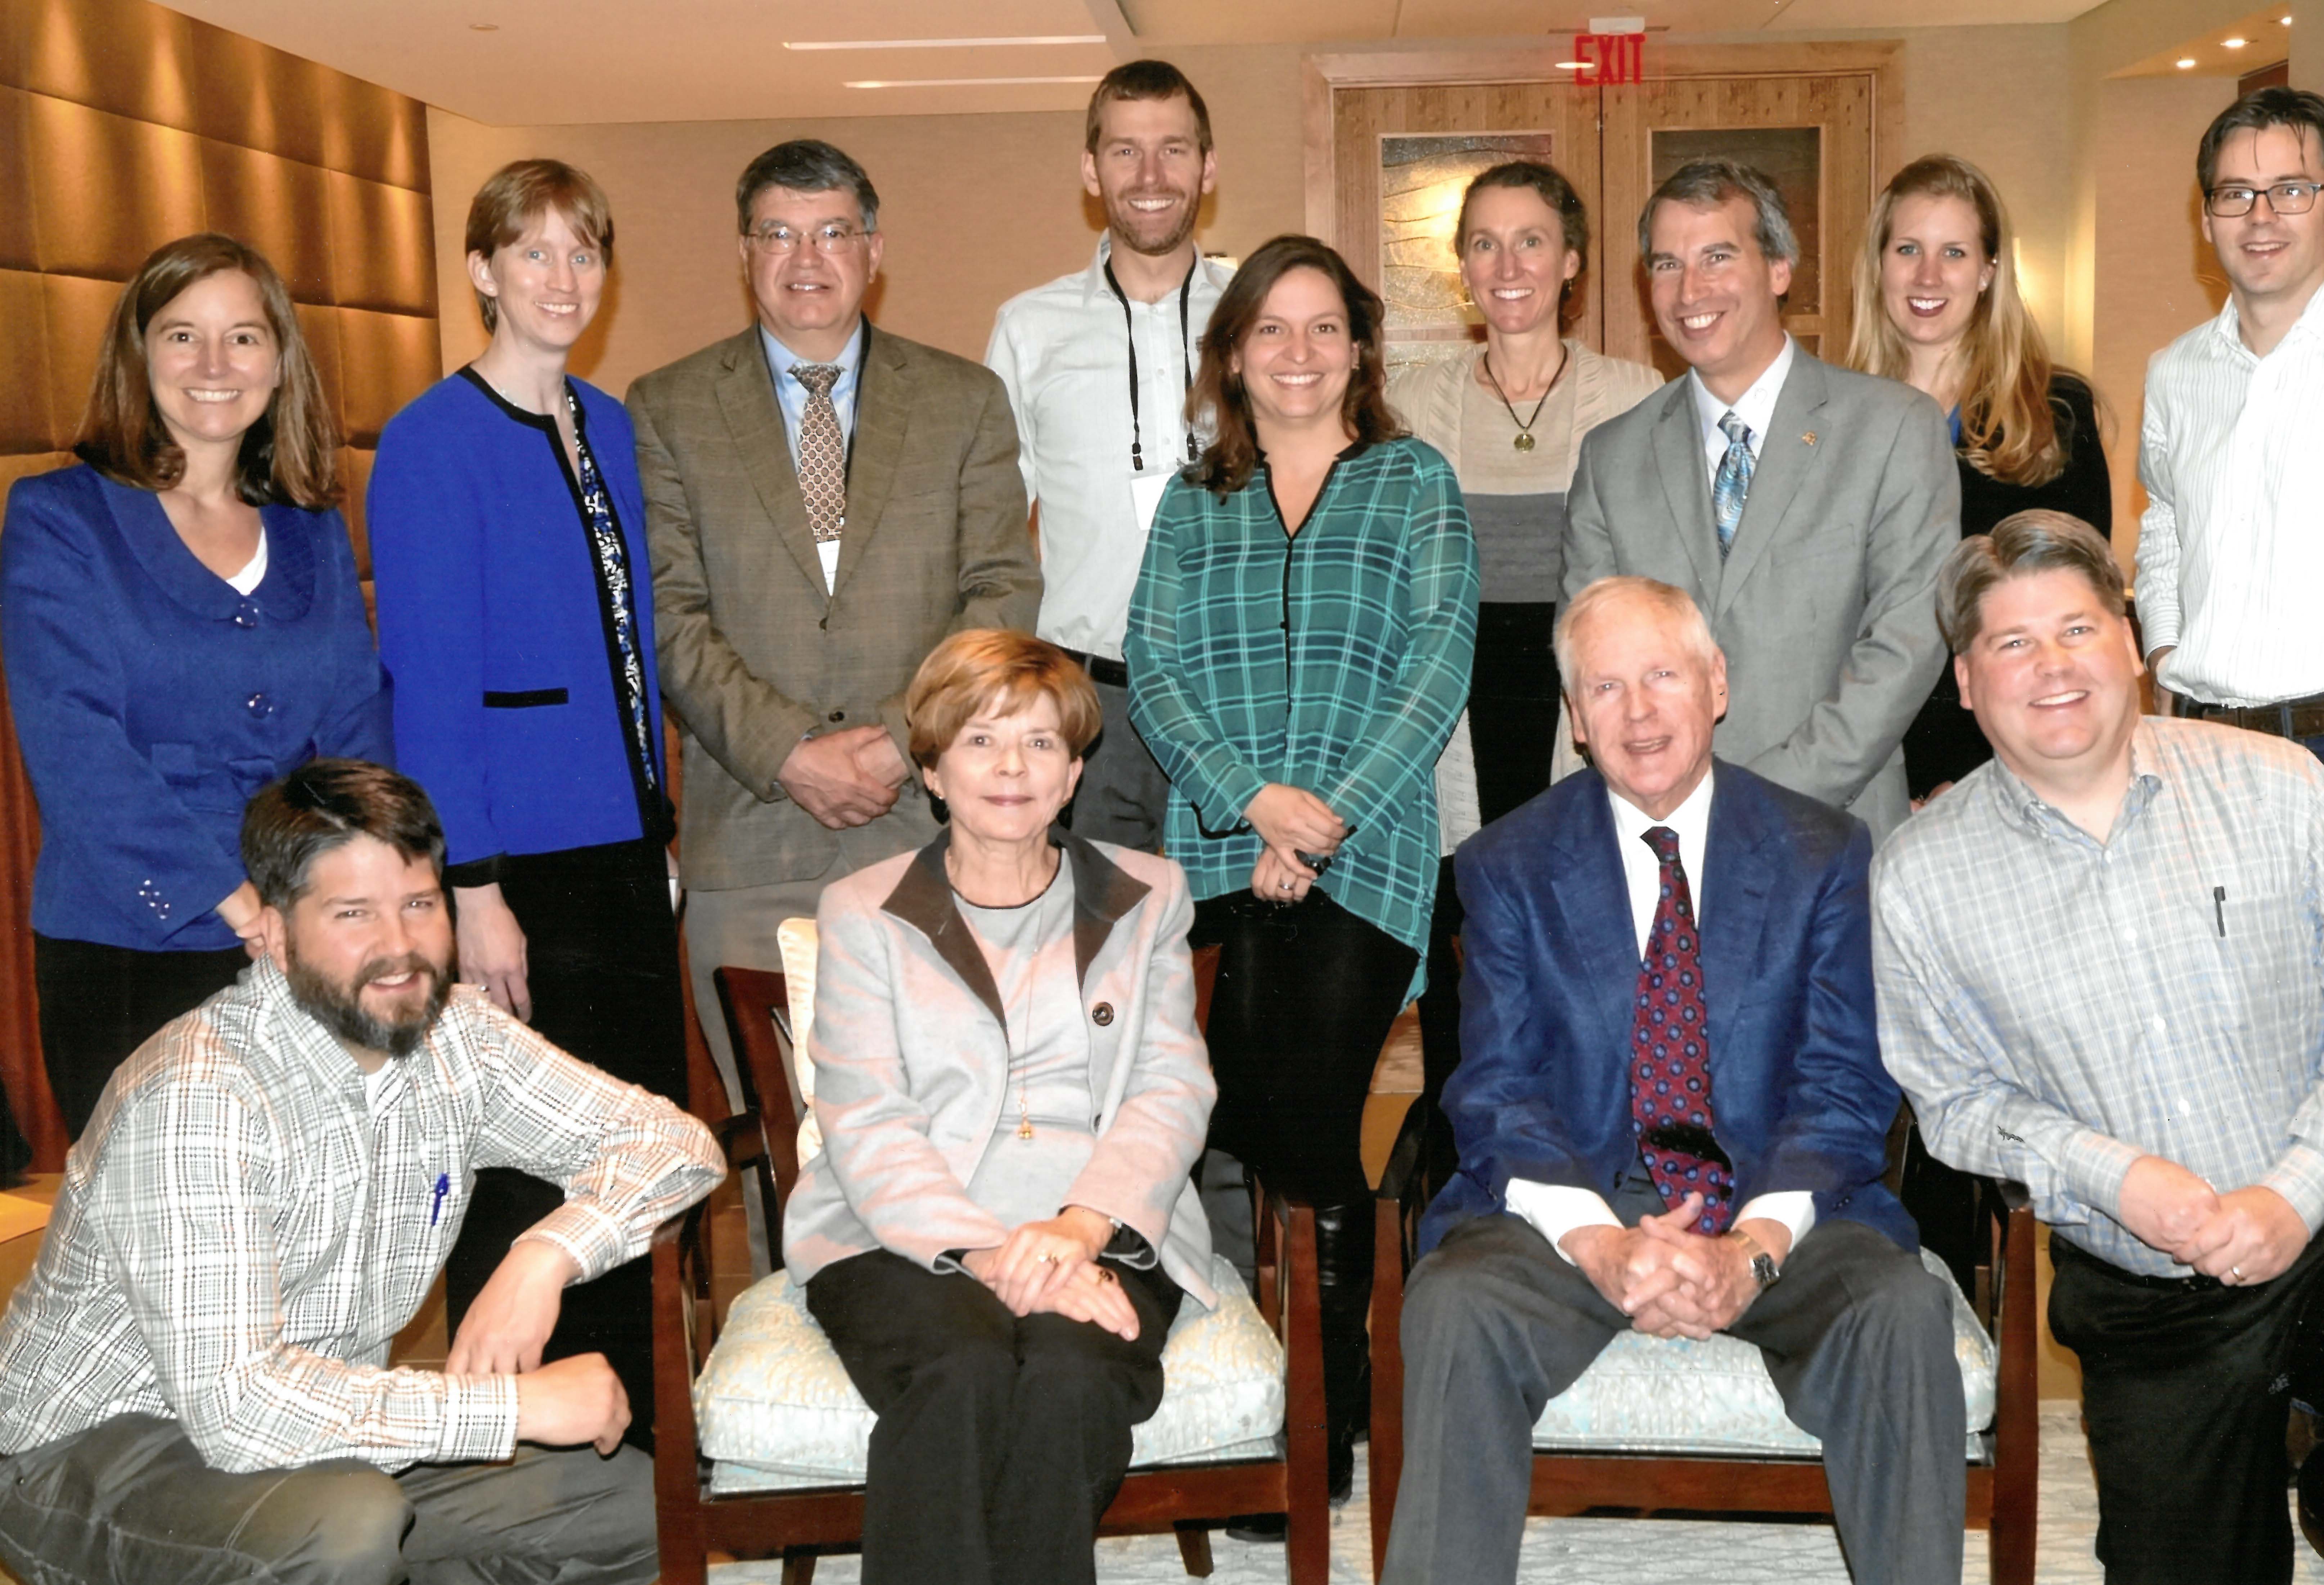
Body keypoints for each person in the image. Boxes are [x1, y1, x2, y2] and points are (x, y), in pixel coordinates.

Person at [0, 759, 722, 1585]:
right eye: (354, 914)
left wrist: (547, 1255)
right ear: (271, 934)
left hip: (315, 1430)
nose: (400, 947)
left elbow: (674, 1143)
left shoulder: (456, 1037)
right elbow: (240, 1411)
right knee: (348, 1530)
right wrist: (511, 1408)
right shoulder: (201, 1097)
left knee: (639, 1510)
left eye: (419, 903)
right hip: (91, 1454)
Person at [1384, 574, 1964, 1585]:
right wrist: (1602, 1243)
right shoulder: (1506, 863)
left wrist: (1752, 1246)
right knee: (1454, 1304)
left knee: (1898, 1311)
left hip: (1777, 1208)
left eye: (1663, 676)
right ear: (1573, 717)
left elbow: (1842, 1085)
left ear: (1718, 685)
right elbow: (1498, 1091)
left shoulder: (1820, 851)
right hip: (1580, 1211)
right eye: (1605, 688)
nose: (1639, 712)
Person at [1874, 510, 2324, 1585]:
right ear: (1967, 681)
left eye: (2077, 629)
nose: (2054, 667)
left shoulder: (2286, 791)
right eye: (2013, 644)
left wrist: (2296, 1189)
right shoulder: (1921, 876)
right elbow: (1955, 1100)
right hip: (2148, 1294)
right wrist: (2114, 1177)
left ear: (2130, 639)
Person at [627, 139, 1042, 1223]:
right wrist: (791, 753)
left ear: (874, 249)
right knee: (786, 1167)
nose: (805, 258)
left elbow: (1001, 589)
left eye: (831, 232)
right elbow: (666, 611)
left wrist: (902, 738)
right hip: (751, 836)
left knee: (948, 1147)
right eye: (778, 233)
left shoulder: (964, 401)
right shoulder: (665, 408)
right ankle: (795, 1382)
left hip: (927, 838)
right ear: (745, 253)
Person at [1126, 234, 1479, 1504]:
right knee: (1237, 1124)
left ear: (1359, 348)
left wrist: (1318, 817)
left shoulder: (1413, 483)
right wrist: (1253, 805)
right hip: (1213, 850)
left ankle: (1324, 1429)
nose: (1296, 352)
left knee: (1313, 1118)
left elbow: (1435, 667)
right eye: (1268, 329)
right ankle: (1301, 1390)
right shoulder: (1190, 499)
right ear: (1231, 352)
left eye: (1322, 327)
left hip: (1369, 850)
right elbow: (1151, 673)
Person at [783, 629, 1216, 1585]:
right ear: (933, 769)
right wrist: (989, 1252)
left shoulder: (1149, 895)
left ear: (1073, 774)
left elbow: (1170, 1085)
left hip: (1101, 1224)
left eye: (1041, 743)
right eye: (980, 740)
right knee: (962, 1368)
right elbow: (868, 1117)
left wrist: (1075, 1226)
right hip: (897, 1235)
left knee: (1070, 1375)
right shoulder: (866, 909)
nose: (1011, 766)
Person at [368, 159, 683, 1448]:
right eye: (533, 253)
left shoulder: (607, 424)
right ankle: (512, 1442)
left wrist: (660, 829)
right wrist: (475, 891)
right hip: (519, 867)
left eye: (583, 254)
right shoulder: (430, 440)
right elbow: (431, 686)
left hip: (620, 848)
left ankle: (636, 1430)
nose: (562, 279)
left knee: (631, 1147)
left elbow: (632, 649)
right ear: (482, 270)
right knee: (518, 1161)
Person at [0, 233, 391, 1141]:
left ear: (280, 359)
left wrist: (348, 897)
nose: (215, 364)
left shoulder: (310, 528)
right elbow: (76, 748)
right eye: (183, 336)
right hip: (137, 945)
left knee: (308, 1240)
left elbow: (354, 725)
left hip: (306, 935)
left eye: (245, 338)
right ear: (139, 357)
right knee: (174, 1259)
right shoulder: (60, 520)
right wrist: (241, 903)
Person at [1388, 159, 1662, 1202]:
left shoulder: (1636, 399)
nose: (1508, 264)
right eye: (1485, 243)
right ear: (1463, 267)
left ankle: (1595, 1175)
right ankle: (1477, 1187)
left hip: (1579, 723)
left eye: (1532, 241)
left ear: (1574, 264)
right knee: (1468, 961)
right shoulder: (1407, 406)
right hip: (1451, 727)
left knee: (1587, 959)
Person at [1564, 159, 1959, 843]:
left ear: (1780, 268)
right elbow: (1590, 670)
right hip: (1649, 841)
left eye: (1718, 256)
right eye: (1666, 264)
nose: (1690, 289)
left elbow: (1904, 645)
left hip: (1830, 833)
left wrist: (1750, 805)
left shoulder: (1893, 428)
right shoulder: (1610, 457)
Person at [986, 59, 1231, 853]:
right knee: (1092, 952)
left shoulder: (1266, 314)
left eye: (1174, 149)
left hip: (1240, 692)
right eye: (1125, 151)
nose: (1151, 175)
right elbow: (990, 531)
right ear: (1091, 171)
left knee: (1237, 957)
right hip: (1089, 703)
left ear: (1209, 165)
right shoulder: (1029, 328)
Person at [1847, 152, 2112, 803]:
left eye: (1955, 253)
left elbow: (2076, 621)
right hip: (1872, 769)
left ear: (1990, 270)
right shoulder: (1833, 420)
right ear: (1879, 264)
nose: (1928, 274)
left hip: (2016, 764)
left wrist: (1973, 783)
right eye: (1907, 248)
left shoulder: (2055, 412)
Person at [2137, 88, 2324, 752]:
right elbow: (2165, 524)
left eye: (2292, 190)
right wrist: (2162, 649)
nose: (2261, 216)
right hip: (2200, 737)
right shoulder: (2173, 372)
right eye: (2236, 193)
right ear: (2208, 219)